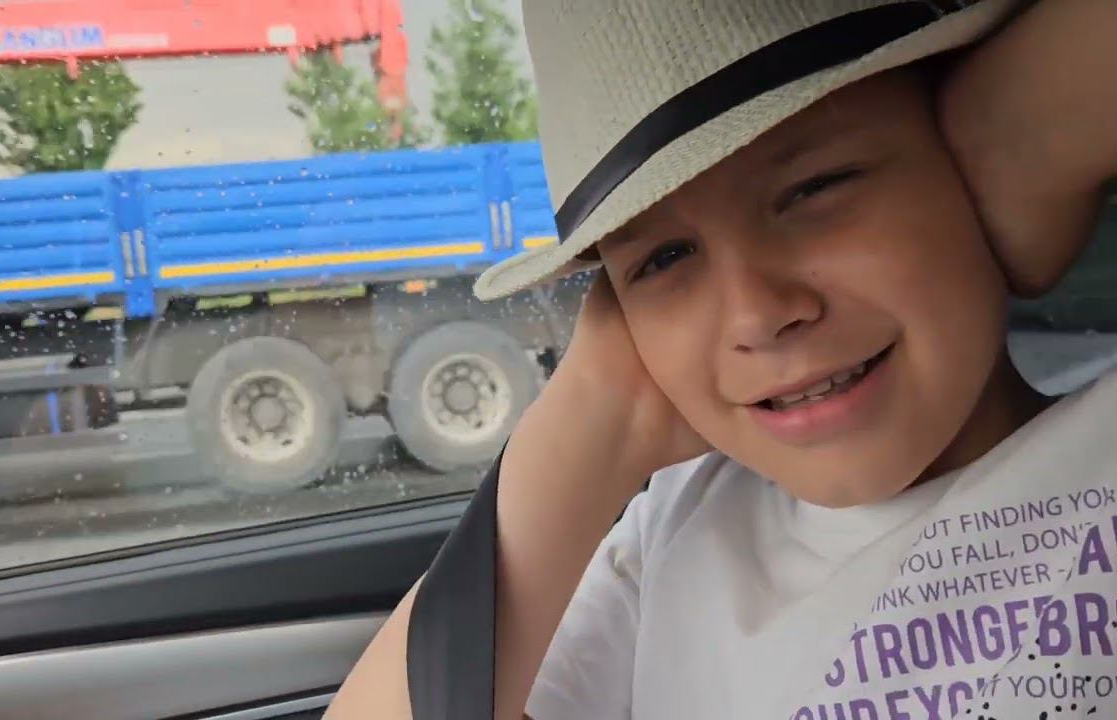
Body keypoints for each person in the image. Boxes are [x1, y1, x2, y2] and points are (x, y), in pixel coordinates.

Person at [327, 0, 1117, 717]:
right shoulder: (671, 542)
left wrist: (1004, 133)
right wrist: (594, 413)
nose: (757, 314)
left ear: (968, 167)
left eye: (815, 188)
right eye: (663, 258)